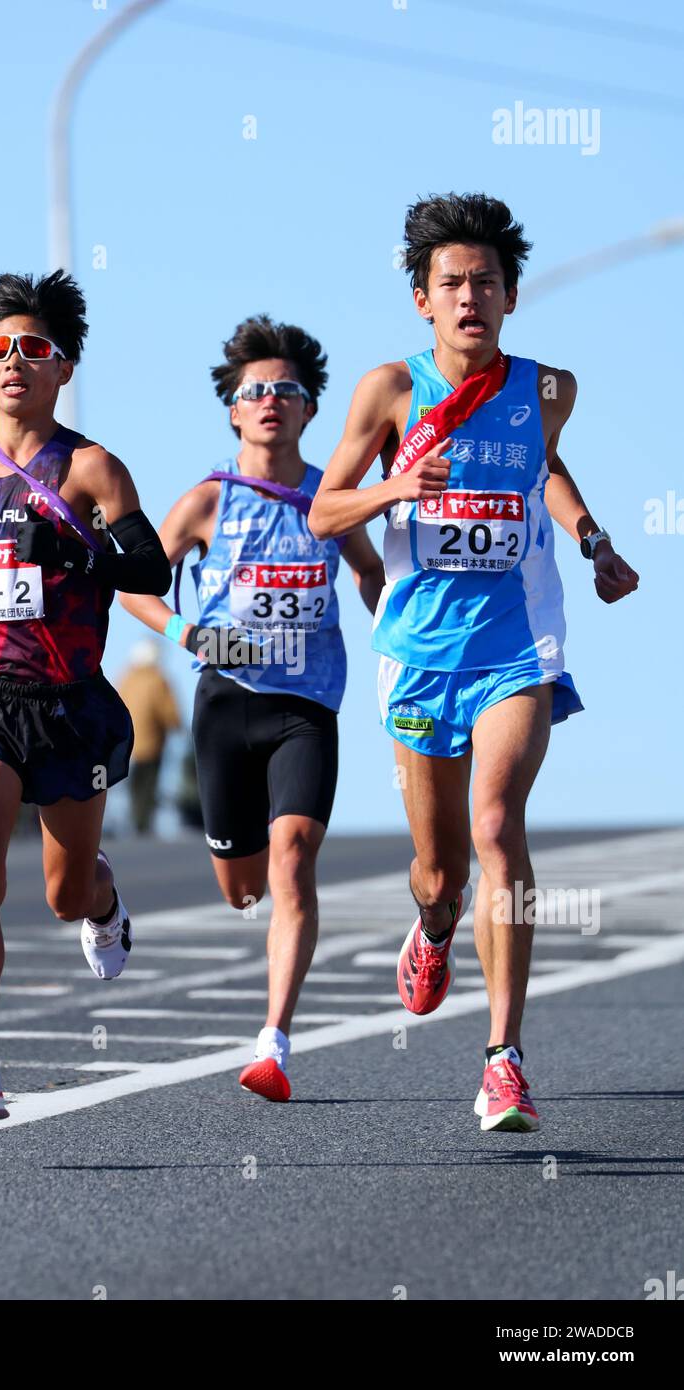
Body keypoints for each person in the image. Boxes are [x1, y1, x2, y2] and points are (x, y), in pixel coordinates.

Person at [309, 193, 638, 1132]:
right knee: (439, 867)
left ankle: (504, 1058)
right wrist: (396, 487)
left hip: (515, 645)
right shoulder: (390, 391)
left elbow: (547, 466)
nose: (469, 299)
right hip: (416, 652)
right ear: (422, 299)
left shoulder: (547, 389)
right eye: (451, 284)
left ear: (511, 296)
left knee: (498, 825)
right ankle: (438, 923)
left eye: (485, 282)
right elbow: (322, 513)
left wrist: (592, 539)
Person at [0, 270, 171, 1124]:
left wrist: (81, 553)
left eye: (34, 349)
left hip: (67, 706)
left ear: (64, 366)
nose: (15, 361)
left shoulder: (91, 469)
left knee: (62, 892)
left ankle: (104, 901)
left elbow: (152, 567)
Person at [120, 315, 384, 1101]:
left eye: (287, 391)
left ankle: (274, 1041)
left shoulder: (330, 501)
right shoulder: (208, 499)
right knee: (242, 888)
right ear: (233, 409)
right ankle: (248, 899)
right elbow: (135, 585)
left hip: (307, 704)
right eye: (255, 391)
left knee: (294, 859)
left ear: (310, 411)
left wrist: (398, 626)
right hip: (226, 703)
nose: (271, 401)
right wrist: (184, 628)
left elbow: (370, 574)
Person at [117, 640, 182, 834]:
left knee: (134, 784)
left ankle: (137, 820)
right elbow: (167, 710)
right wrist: (176, 726)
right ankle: (142, 823)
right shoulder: (158, 679)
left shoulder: (126, 678)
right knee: (148, 785)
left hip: (127, 743)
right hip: (151, 743)